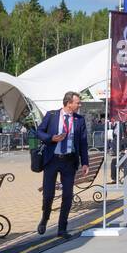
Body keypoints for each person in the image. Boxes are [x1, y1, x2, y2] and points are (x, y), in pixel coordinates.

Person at [36, 91, 89, 238]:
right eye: (77, 103)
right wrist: (51, 138)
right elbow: (39, 132)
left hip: (69, 161)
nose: (79, 105)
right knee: (48, 195)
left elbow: (83, 142)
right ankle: (45, 218)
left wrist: (85, 162)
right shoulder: (52, 115)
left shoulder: (79, 120)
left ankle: (62, 228)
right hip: (52, 160)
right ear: (69, 103)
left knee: (67, 195)